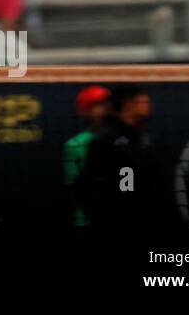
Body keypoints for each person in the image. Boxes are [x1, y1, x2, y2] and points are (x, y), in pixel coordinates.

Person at [77, 85, 166, 227]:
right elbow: (88, 188)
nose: (149, 105)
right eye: (144, 101)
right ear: (128, 104)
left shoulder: (144, 139)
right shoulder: (105, 141)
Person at [63, 85, 110, 226]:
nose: (105, 109)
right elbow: (74, 190)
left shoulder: (122, 141)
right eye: (98, 105)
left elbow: (128, 178)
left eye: (106, 104)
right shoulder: (74, 145)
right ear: (85, 111)